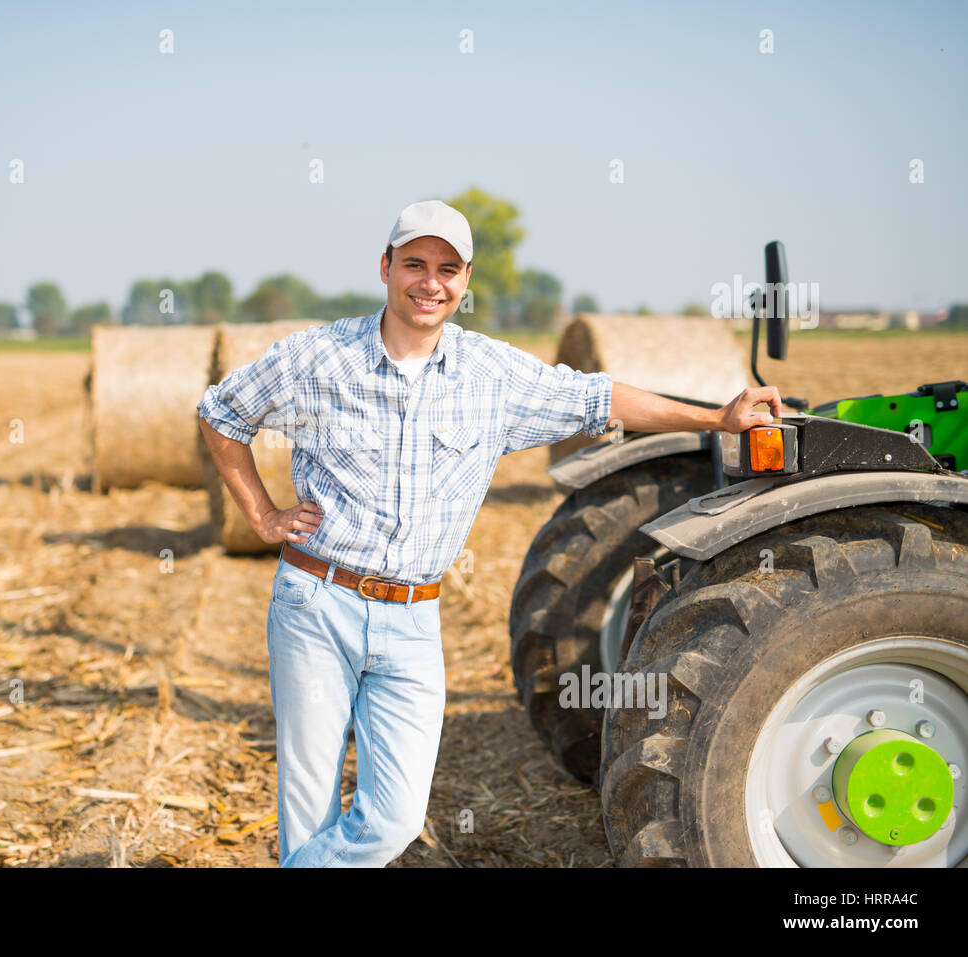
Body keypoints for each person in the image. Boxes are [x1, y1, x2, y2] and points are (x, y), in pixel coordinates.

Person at [196, 199, 782, 867]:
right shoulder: (317, 356)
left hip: (413, 619)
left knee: (393, 818)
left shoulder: (493, 375)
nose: (430, 282)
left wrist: (717, 418)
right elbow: (221, 413)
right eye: (414, 263)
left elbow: (601, 398)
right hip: (315, 601)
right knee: (309, 810)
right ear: (385, 267)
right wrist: (262, 515)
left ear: (465, 281)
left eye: (448, 268)